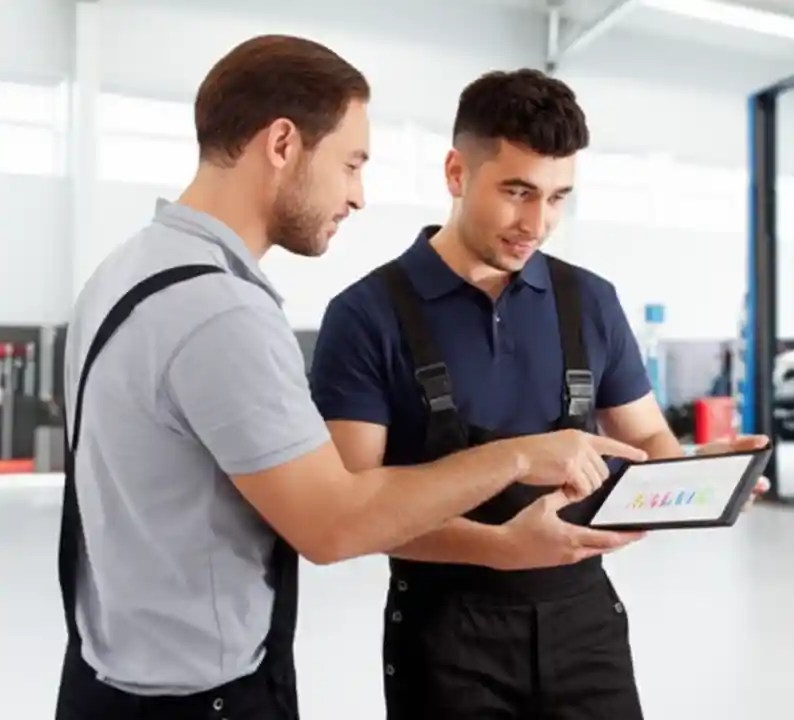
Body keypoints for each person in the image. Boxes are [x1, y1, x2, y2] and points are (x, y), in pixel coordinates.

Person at [55, 38, 644, 720]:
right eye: (351, 163)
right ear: (282, 143)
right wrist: (521, 455)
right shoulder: (225, 311)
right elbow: (334, 524)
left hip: (108, 678)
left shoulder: (122, 273)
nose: (359, 195)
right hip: (201, 697)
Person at [309, 68, 769, 719]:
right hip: (445, 638)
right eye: (518, 192)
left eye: (558, 197)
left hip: (585, 628)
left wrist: (704, 475)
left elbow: (645, 442)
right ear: (456, 173)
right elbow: (352, 512)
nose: (537, 222)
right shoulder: (366, 316)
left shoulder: (591, 302)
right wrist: (500, 549)